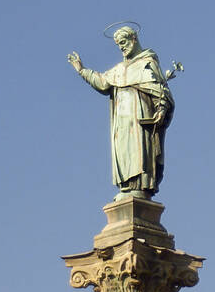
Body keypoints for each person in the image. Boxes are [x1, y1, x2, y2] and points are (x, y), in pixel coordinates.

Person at [68, 26, 174, 200]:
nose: (122, 47)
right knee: (124, 151)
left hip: (139, 116)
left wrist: (161, 108)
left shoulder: (147, 63)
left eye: (123, 43)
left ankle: (140, 185)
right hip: (122, 120)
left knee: (139, 149)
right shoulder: (119, 69)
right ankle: (127, 186)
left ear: (133, 39)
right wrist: (82, 70)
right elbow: (102, 82)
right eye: (119, 45)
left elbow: (160, 91)